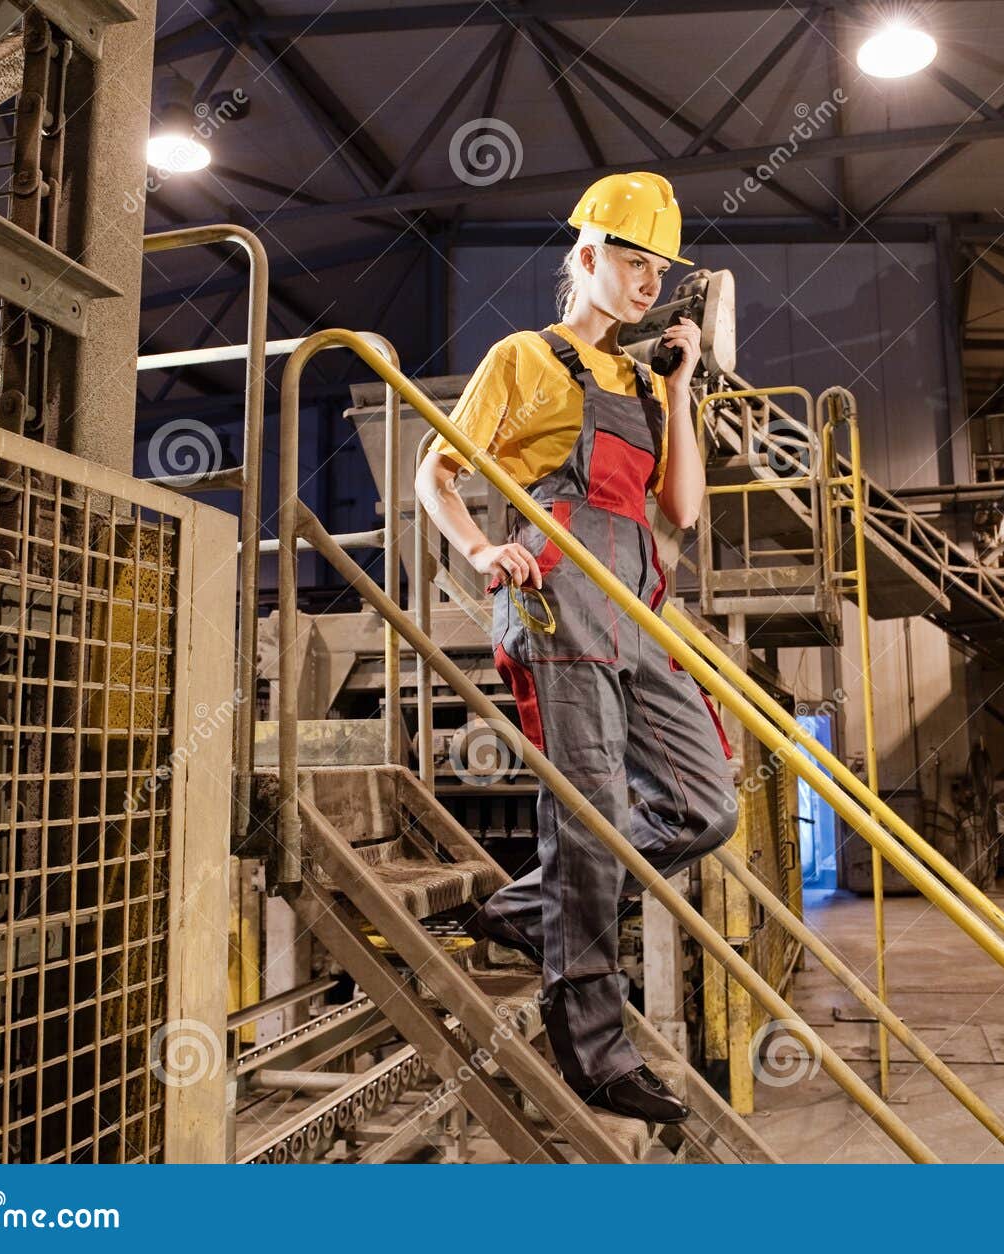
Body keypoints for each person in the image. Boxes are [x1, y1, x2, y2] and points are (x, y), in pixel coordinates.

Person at [414, 172, 737, 1125]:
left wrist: (680, 390)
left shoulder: (643, 379)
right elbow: (435, 471)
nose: (646, 285)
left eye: (657, 271)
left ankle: (515, 916)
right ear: (586, 258)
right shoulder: (525, 358)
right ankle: (593, 1049)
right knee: (592, 821)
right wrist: (481, 548)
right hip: (558, 598)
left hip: (638, 603)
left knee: (702, 807)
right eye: (630, 264)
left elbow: (680, 511)